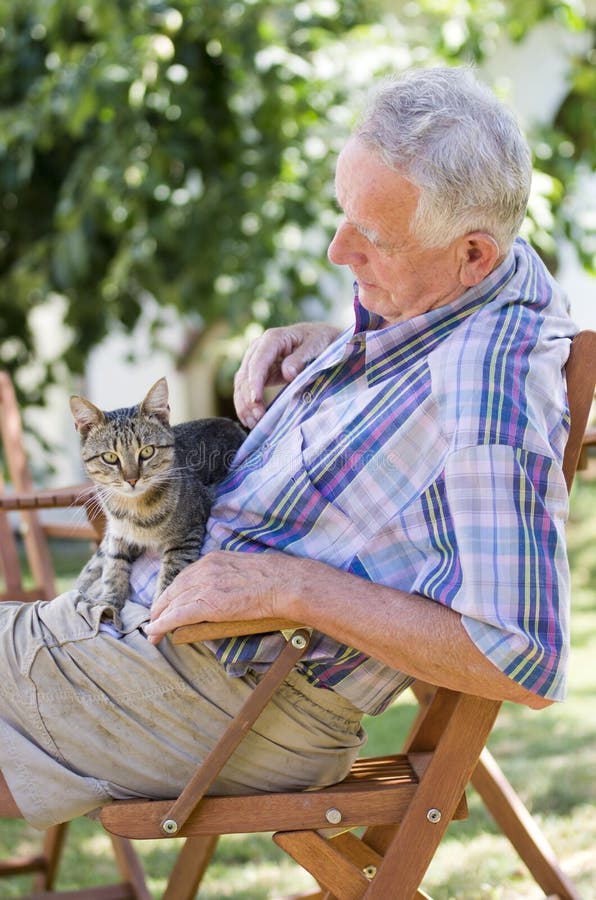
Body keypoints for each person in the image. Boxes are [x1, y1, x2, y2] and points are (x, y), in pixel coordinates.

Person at [0, 66, 577, 830]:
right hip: (156, 646)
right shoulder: (475, 288)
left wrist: (291, 587)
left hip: (221, 694)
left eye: (372, 238)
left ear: (472, 252)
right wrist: (338, 350)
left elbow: (524, 655)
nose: (339, 251)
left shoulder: (487, 389)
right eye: (344, 216)